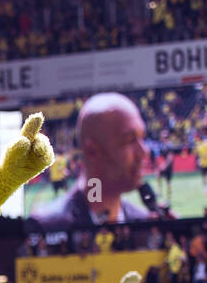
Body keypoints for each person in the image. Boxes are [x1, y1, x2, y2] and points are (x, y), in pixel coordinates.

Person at [31, 93, 152, 228]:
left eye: (142, 138)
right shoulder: (48, 225)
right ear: (92, 151)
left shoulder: (144, 223)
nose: (144, 152)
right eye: (130, 140)